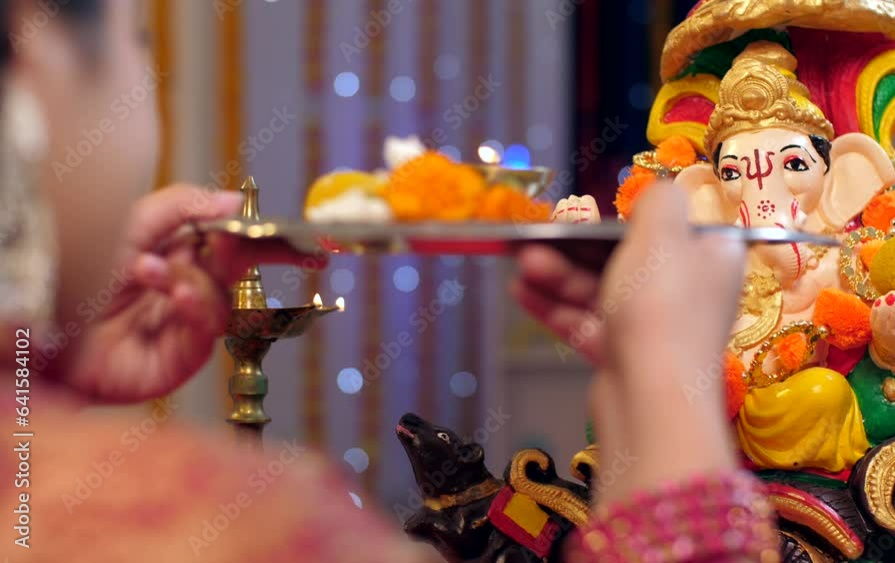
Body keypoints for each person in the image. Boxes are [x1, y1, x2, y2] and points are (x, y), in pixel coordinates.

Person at [0, 1, 777, 561]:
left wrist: (41, 364)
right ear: (36, 51)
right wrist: (674, 396)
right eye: (141, 36)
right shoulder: (257, 527)